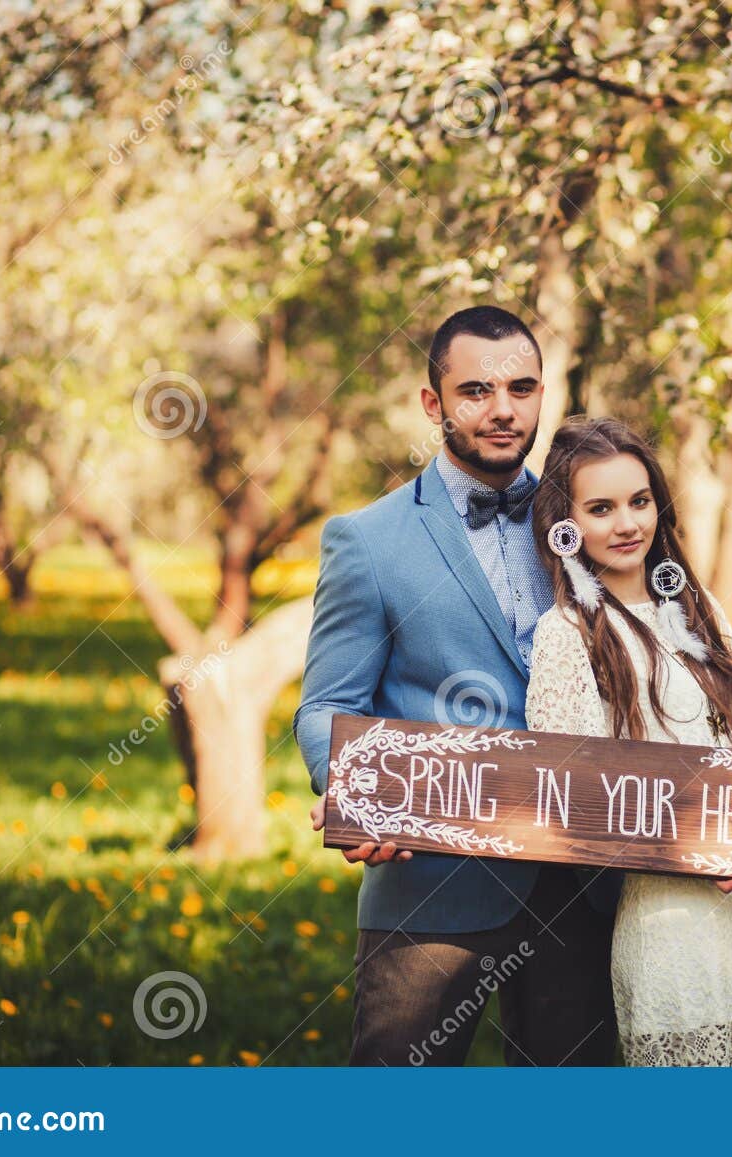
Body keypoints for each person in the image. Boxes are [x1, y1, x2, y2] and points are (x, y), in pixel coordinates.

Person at [295, 306, 621, 1066]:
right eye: (475, 390)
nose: (503, 409)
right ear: (432, 403)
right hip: (431, 883)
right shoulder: (368, 540)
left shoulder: (596, 526)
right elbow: (326, 705)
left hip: (578, 883)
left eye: (522, 387)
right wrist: (356, 791)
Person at [525, 416, 732, 1066]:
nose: (627, 522)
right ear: (566, 524)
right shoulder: (566, 634)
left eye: (639, 500)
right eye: (601, 508)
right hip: (667, 921)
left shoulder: (700, 608)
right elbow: (574, 803)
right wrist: (699, 848)